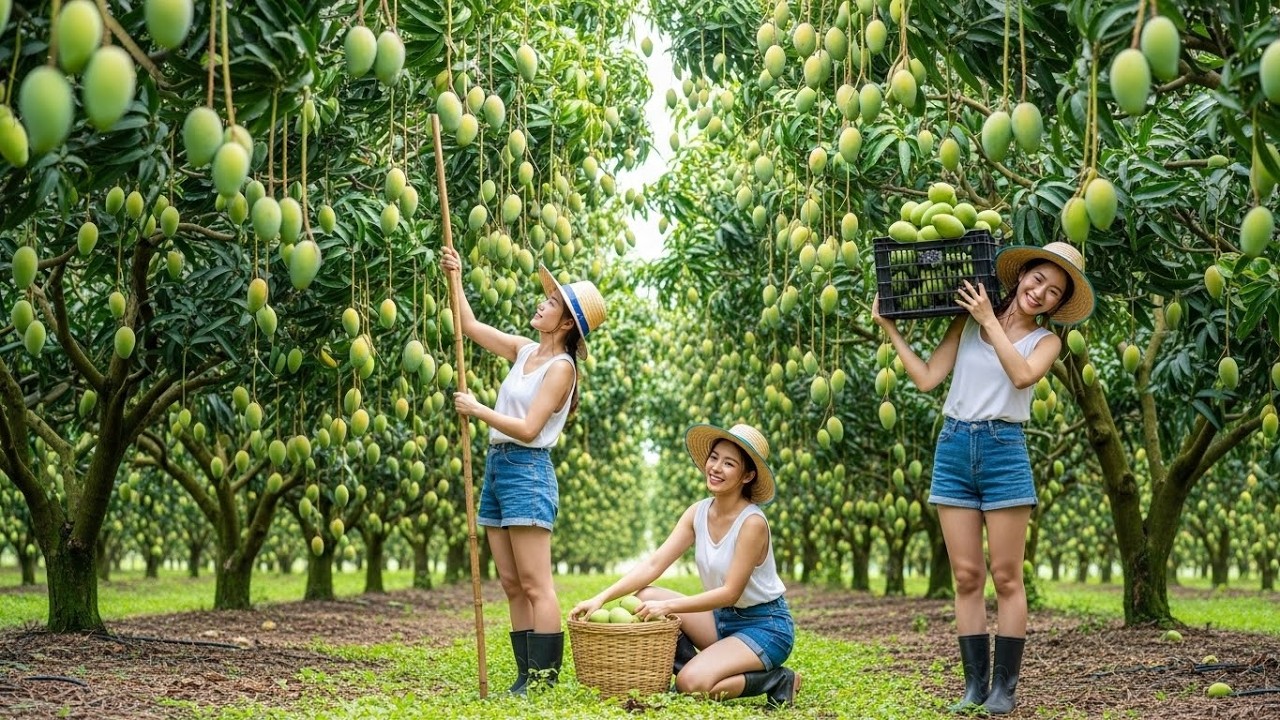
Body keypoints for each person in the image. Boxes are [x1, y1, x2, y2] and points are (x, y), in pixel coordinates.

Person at [872, 241, 1094, 715]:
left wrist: (991, 319)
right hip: (953, 447)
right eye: (1037, 280)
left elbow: (1021, 377)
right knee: (967, 576)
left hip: (1003, 450)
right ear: (1021, 276)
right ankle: (974, 685)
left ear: (1057, 304)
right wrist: (891, 328)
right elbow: (930, 378)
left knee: (1007, 577)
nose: (1041, 293)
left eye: (1054, 292)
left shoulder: (1045, 342)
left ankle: (1004, 690)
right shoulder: (970, 319)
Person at [439, 246, 606, 694]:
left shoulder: (561, 369)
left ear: (567, 322)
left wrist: (478, 410)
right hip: (498, 467)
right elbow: (470, 328)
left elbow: (531, 429)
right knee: (511, 583)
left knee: (536, 584)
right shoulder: (524, 350)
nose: (541, 303)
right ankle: (524, 676)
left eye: (551, 302)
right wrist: (456, 277)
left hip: (527, 471)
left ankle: (545, 681)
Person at [569, 423, 801, 708]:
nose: (715, 467)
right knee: (646, 595)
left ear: (747, 475)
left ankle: (778, 680)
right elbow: (654, 564)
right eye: (714, 457)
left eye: (729, 463)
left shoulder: (752, 523)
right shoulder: (698, 512)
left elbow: (730, 592)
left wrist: (669, 607)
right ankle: (703, 668)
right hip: (721, 620)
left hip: (765, 626)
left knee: (690, 684)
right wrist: (602, 597)